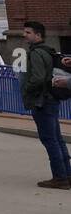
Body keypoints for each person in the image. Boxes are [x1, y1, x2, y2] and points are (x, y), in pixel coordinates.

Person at [20, 20, 70, 189]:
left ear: (38, 35)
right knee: (57, 138)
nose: (24, 35)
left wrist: (27, 88)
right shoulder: (49, 51)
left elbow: (38, 77)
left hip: (42, 101)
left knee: (49, 139)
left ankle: (60, 177)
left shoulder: (36, 53)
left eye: (28, 32)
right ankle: (66, 174)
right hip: (51, 99)